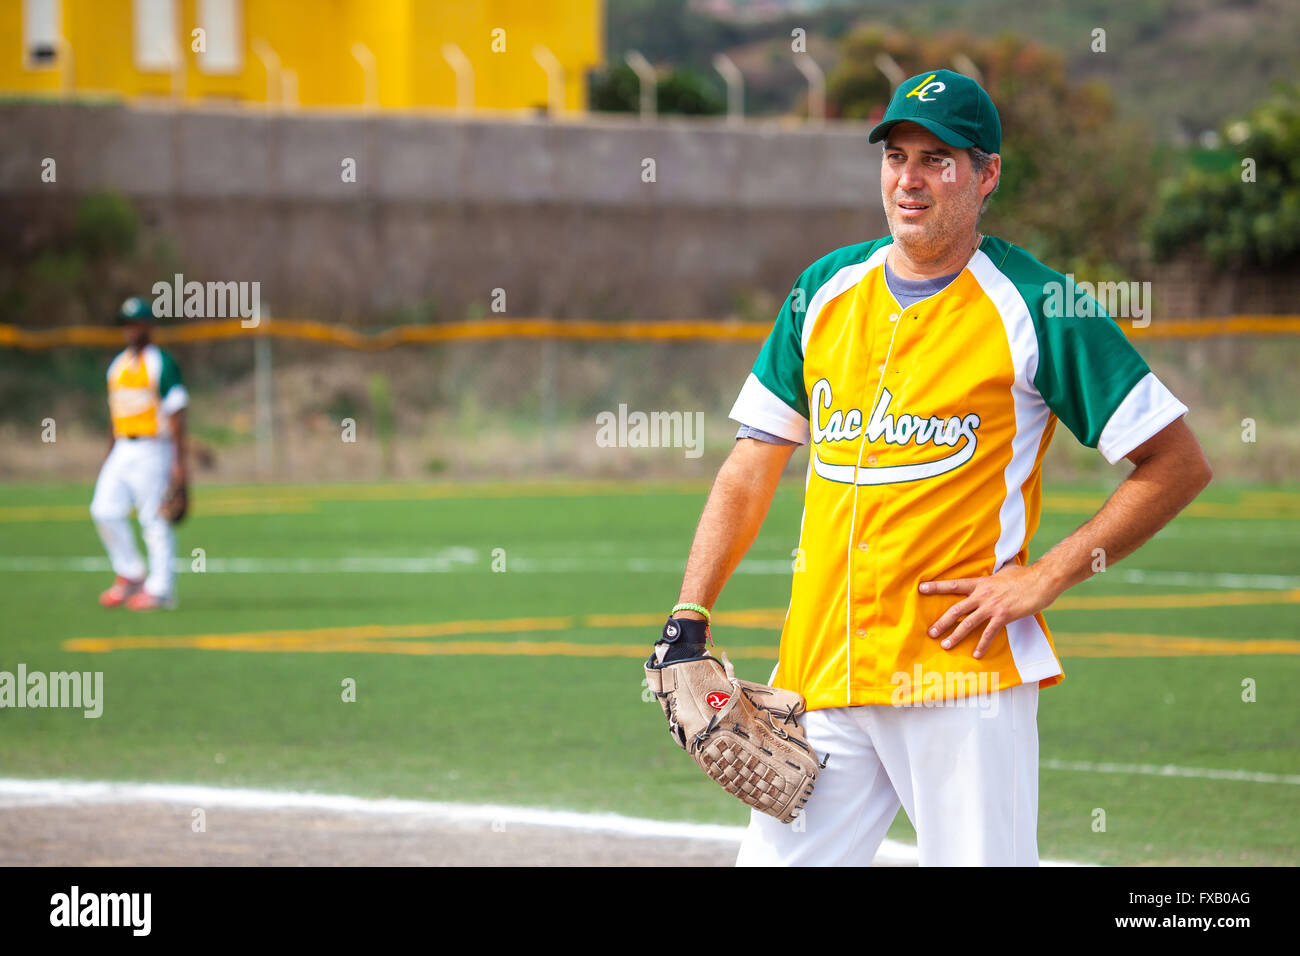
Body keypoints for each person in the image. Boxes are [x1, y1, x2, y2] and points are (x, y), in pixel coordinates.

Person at [661, 69, 1212, 866]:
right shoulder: (825, 290)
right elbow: (752, 464)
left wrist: (1045, 576)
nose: (909, 180)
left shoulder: (1034, 303)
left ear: (987, 174)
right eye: (895, 157)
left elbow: (1175, 462)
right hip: (825, 675)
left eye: (937, 159)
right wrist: (691, 613)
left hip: (960, 676)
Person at [91, 296, 189, 611]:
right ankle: (131, 573)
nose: (131, 330)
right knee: (103, 509)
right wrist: (108, 456)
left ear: (149, 326)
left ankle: (160, 589)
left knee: (154, 518)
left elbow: (177, 413)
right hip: (123, 447)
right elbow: (113, 414)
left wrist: (179, 464)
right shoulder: (117, 366)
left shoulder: (161, 363)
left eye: (136, 323)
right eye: (127, 324)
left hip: (153, 447)